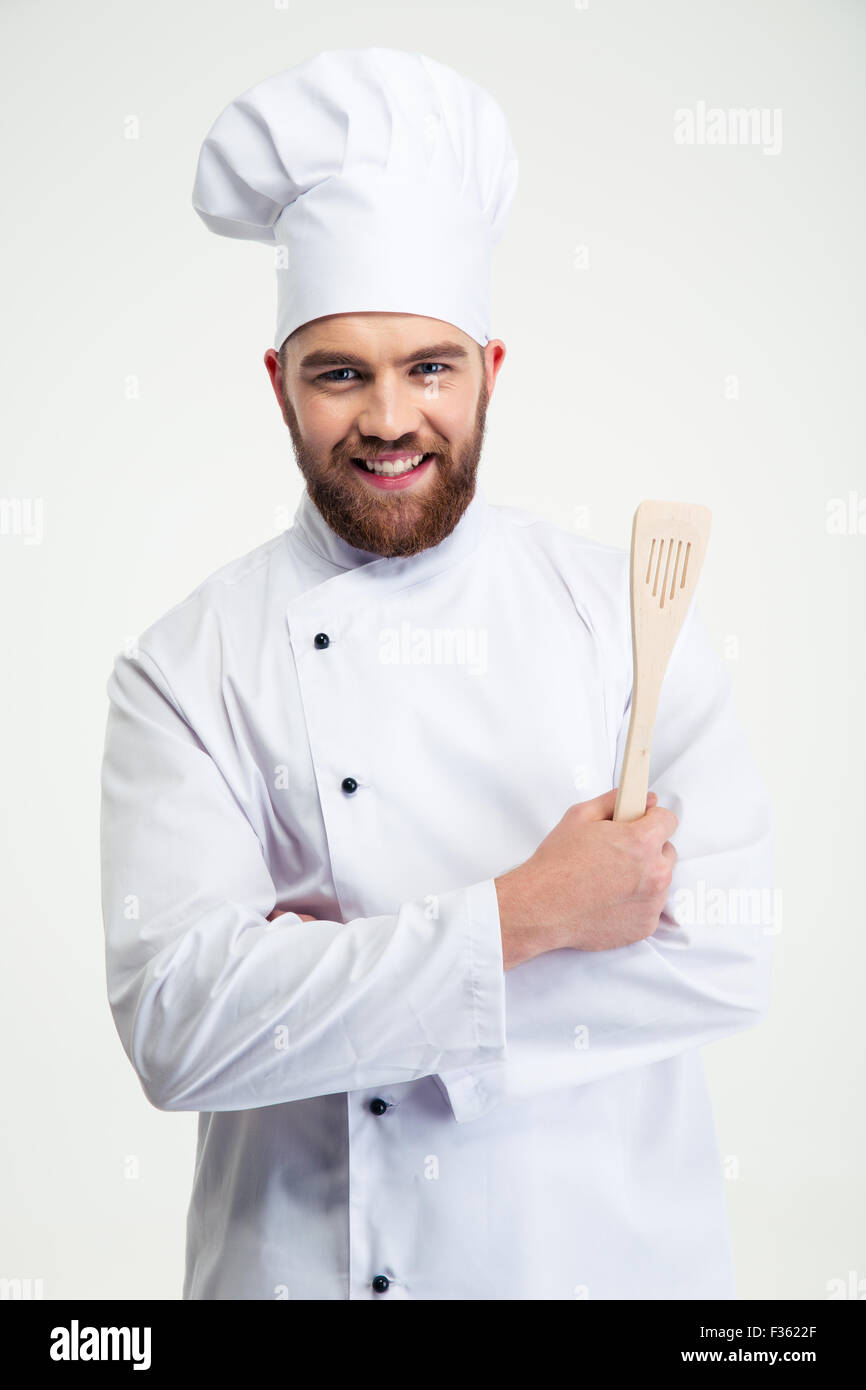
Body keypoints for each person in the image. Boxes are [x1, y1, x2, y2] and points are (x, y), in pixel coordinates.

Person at [99, 47, 776, 1300]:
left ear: (490, 371)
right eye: (339, 372)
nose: (390, 418)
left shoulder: (626, 611)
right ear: (277, 386)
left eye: (429, 366)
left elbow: (727, 951)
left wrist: (323, 984)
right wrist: (536, 914)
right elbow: (181, 1029)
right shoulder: (184, 666)